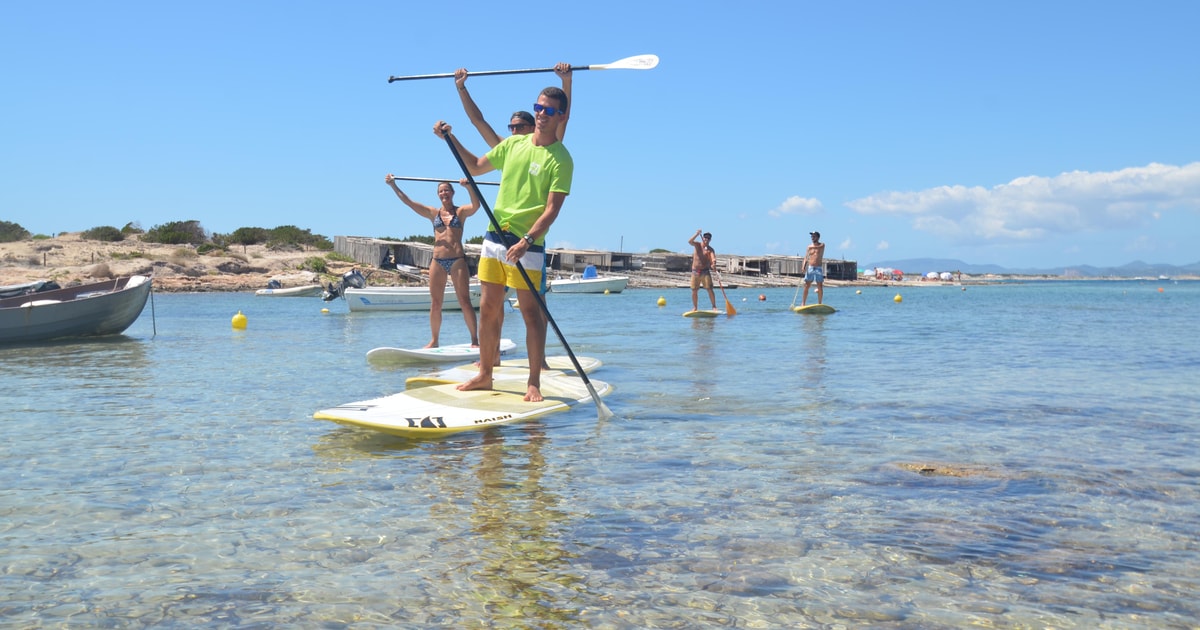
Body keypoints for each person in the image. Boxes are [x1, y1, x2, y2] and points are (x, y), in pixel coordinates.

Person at [434, 85, 572, 402]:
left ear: (560, 116)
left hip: (528, 244)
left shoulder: (561, 159)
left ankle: (533, 382)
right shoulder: (513, 144)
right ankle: (485, 373)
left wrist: (527, 240)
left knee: (530, 315)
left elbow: (552, 210)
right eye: (538, 108)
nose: (541, 114)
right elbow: (475, 167)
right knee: (488, 308)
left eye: (549, 110)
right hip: (495, 236)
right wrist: (450, 139)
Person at [384, 175, 481, 348]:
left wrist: (469, 187)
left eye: (447, 190)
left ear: (452, 193)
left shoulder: (460, 212)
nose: (444, 193)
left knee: (464, 301)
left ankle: (475, 340)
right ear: (438, 195)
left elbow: (476, 206)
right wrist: (393, 185)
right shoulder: (433, 213)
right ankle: (434, 340)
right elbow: (409, 202)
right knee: (436, 303)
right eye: (441, 191)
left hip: (458, 261)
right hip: (437, 261)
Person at [453, 63, 573, 148]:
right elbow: (478, 121)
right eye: (511, 127)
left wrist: (566, 81)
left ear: (533, 127)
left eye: (520, 127)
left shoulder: (550, 143)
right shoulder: (510, 147)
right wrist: (461, 87)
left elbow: (562, 117)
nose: (514, 131)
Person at [688, 230, 717, 311]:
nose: (706, 239)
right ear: (703, 238)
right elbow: (690, 241)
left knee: (709, 289)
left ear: (710, 240)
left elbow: (713, 258)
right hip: (695, 272)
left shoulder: (710, 249)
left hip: (705, 272)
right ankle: (695, 307)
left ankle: (714, 306)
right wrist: (696, 234)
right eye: (705, 237)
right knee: (694, 290)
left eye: (708, 238)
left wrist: (713, 264)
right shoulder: (697, 245)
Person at [801, 230, 826, 306]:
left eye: (814, 236)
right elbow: (806, 257)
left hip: (818, 268)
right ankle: (803, 303)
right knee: (807, 285)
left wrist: (812, 246)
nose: (812, 237)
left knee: (820, 285)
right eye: (812, 236)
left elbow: (818, 246)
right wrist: (803, 266)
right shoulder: (809, 247)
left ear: (818, 237)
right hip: (810, 267)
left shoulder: (822, 245)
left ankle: (819, 303)